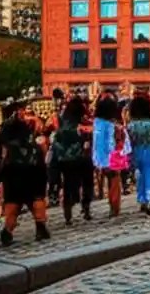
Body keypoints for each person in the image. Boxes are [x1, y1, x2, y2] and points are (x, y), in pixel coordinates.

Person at [0, 100, 51, 246]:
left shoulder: (3, 135)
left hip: (13, 170)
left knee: (13, 201)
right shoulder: (30, 131)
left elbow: (0, 157)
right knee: (36, 196)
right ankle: (40, 226)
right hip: (33, 167)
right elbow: (40, 149)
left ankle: (8, 229)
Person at [50, 96, 93, 224]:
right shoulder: (82, 125)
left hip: (65, 160)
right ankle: (86, 207)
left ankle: (68, 211)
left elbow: (56, 144)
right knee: (87, 183)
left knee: (68, 185)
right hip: (82, 158)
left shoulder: (62, 125)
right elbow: (87, 141)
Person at [92, 97, 127, 217]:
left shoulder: (98, 125)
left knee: (108, 179)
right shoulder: (116, 125)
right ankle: (114, 205)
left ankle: (111, 204)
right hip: (115, 154)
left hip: (103, 155)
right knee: (114, 180)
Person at [126, 95, 150, 214]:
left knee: (139, 175)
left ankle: (142, 200)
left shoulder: (131, 126)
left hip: (137, 152)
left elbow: (129, 142)